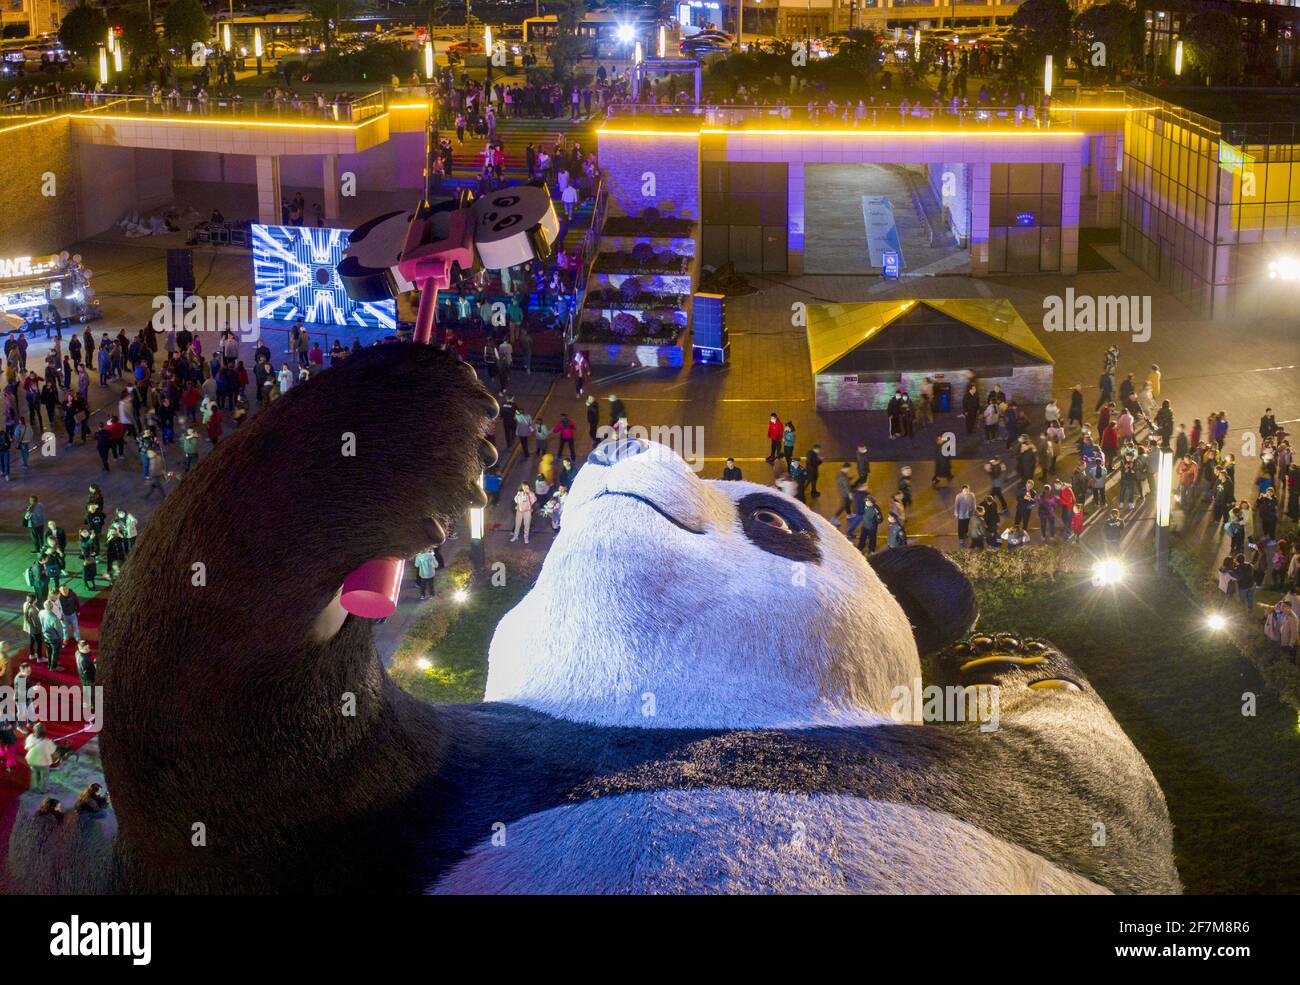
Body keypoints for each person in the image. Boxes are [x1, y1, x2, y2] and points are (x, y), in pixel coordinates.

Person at [24, 722, 57, 793]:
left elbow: (26, 748)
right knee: (45, 776)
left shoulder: (30, 737)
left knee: (34, 774)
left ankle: (33, 787)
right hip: (44, 762)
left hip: (32, 760)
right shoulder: (47, 742)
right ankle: (44, 790)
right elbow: (52, 751)